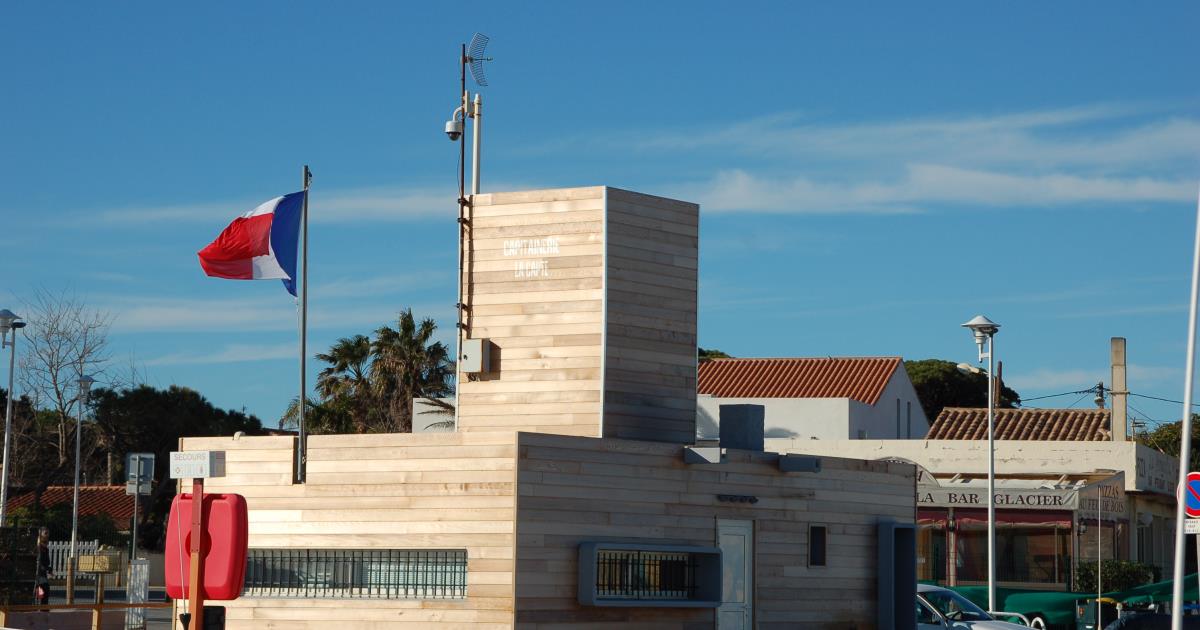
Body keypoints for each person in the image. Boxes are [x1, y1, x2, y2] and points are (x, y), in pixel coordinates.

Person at [34, 527, 51, 607]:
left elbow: (46, 561)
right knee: (43, 589)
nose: (47, 535)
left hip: (43, 572)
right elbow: (38, 560)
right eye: (46, 533)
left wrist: (48, 568)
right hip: (38, 572)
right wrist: (42, 567)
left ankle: (43, 607)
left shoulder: (45, 548)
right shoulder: (38, 548)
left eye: (48, 533)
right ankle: (42, 608)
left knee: (44, 590)